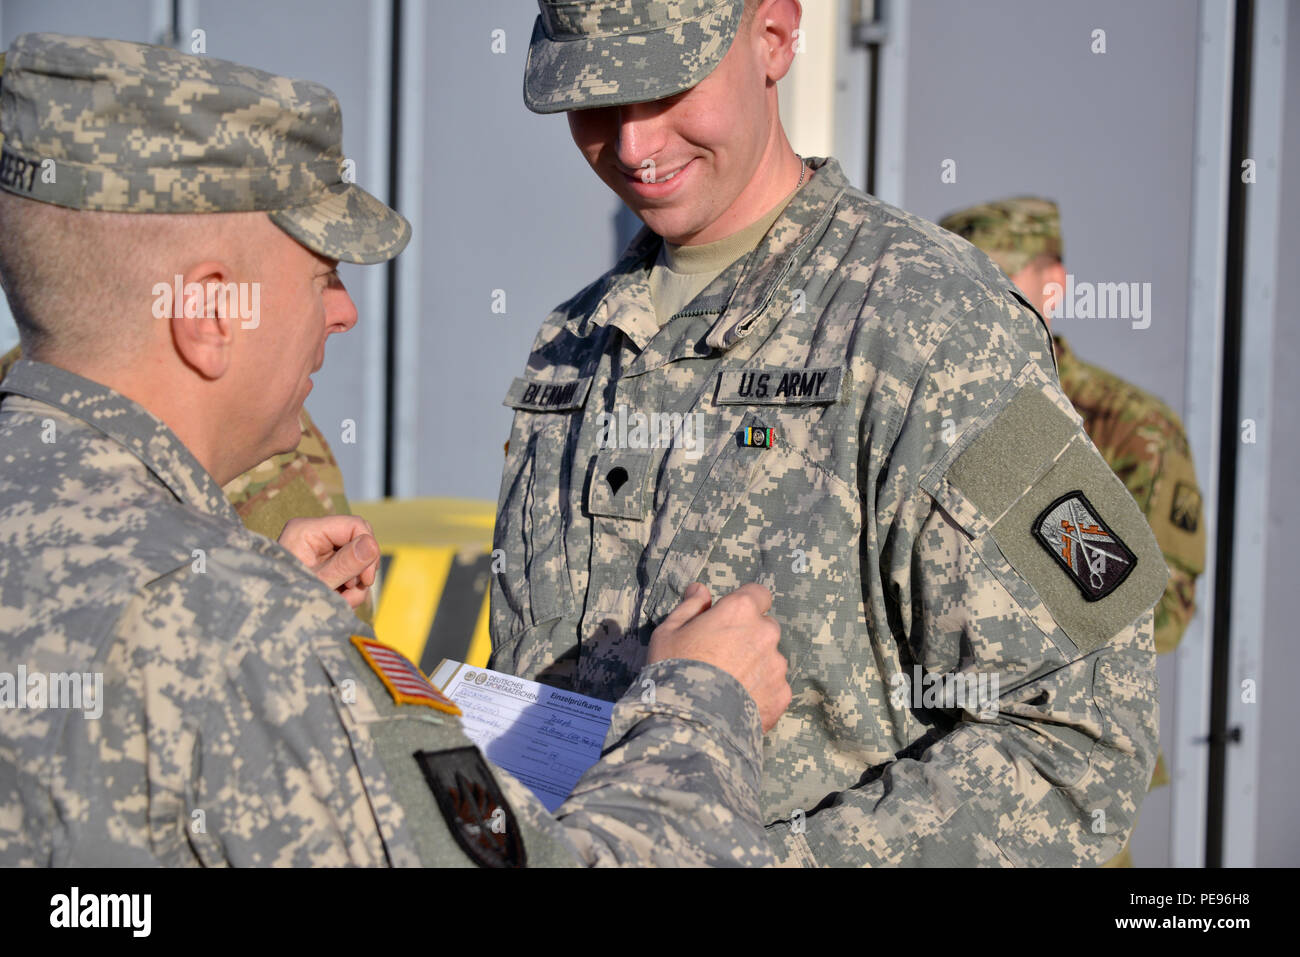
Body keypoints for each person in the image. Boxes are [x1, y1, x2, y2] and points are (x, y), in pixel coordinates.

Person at [0, 32, 789, 868]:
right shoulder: (249, 638)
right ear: (209, 311)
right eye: (322, 275)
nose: (342, 313)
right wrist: (702, 705)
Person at [491, 0, 1167, 866]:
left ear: (773, 36)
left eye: (665, 88)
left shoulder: (930, 323)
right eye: (594, 102)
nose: (633, 145)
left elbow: (1078, 742)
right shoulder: (573, 346)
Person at [939, 196, 1206, 866]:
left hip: (1068, 762)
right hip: (932, 760)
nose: (978, 305)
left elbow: (1161, 609)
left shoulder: (1123, 424)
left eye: (1000, 283)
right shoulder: (928, 411)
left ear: (1051, 286)